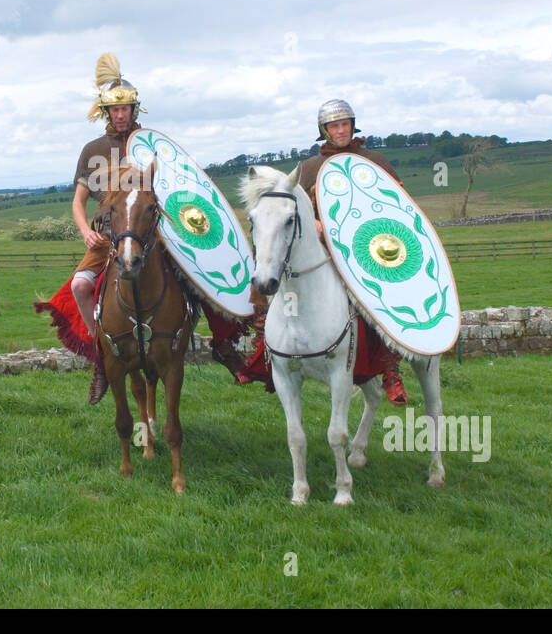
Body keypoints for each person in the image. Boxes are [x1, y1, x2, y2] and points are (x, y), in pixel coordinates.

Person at [34, 52, 252, 404]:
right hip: (107, 236)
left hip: (153, 233)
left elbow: (180, 189)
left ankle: (223, 344)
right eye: (115, 110)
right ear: (106, 112)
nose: (121, 116)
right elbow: (78, 202)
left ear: (135, 110)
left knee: (197, 280)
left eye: (126, 110)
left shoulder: (154, 147)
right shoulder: (94, 150)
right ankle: (102, 357)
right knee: (79, 285)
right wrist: (85, 232)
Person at [237, 99, 410, 405]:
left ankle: (390, 369)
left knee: (376, 303)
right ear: (324, 131)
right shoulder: (311, 168)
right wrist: (317, 223)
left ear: (352, 126)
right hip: (323, 249)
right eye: (334, 126)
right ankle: (267, 354)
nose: (341, 130)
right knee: (274, 283)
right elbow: (295, 209)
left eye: (345, 124)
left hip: (367, 251)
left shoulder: (374, 161)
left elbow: (398, 207)